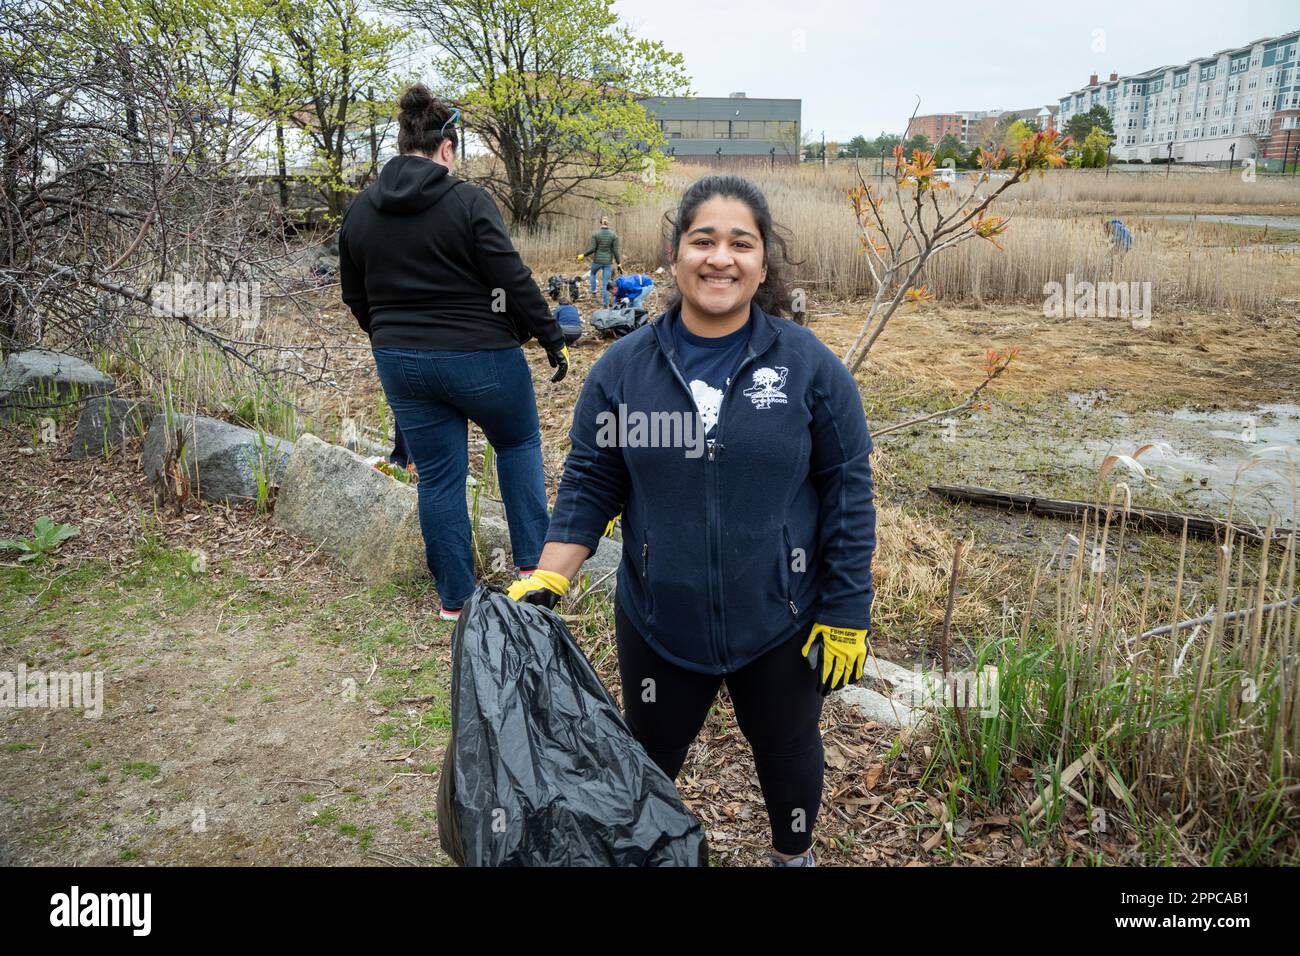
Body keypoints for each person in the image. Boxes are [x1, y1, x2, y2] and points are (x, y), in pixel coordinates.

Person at [509, 174, 877, 866]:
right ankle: (647, 852)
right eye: (703, 240)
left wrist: (847, 609)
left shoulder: (808, 367)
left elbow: (848, 489)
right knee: (647, 762)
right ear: (675, 256)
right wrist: (550, 574)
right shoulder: (622, 371)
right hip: (659, 621)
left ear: (764, 262)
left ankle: (792, 858)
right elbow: (592, 479)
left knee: (790, 750)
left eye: (741, 243)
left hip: (782, 620)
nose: (721, 258)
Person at [338, 83, 569, 621]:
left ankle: (457, 603)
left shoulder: (360, 211)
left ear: (403, 143)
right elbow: (510, 277)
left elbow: (354, 294)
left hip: (401, 362)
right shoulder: (466, 200)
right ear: (447, 147)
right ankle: (534, 579)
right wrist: (550, 337)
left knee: (439, 475)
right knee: (517, 445)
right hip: (481, 356)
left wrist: (389, 338)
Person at [579, 216, 620, 306]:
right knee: (605, 283)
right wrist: (619, 263)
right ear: (608, 223)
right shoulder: (614, 235)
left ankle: (594, 292)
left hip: (597, 261)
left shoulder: (595, 234)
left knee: (593, 274)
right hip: (608, 262)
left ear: (600, 222)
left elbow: (593, 249)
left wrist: (584, 255)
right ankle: (606, 304)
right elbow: (616, 251)